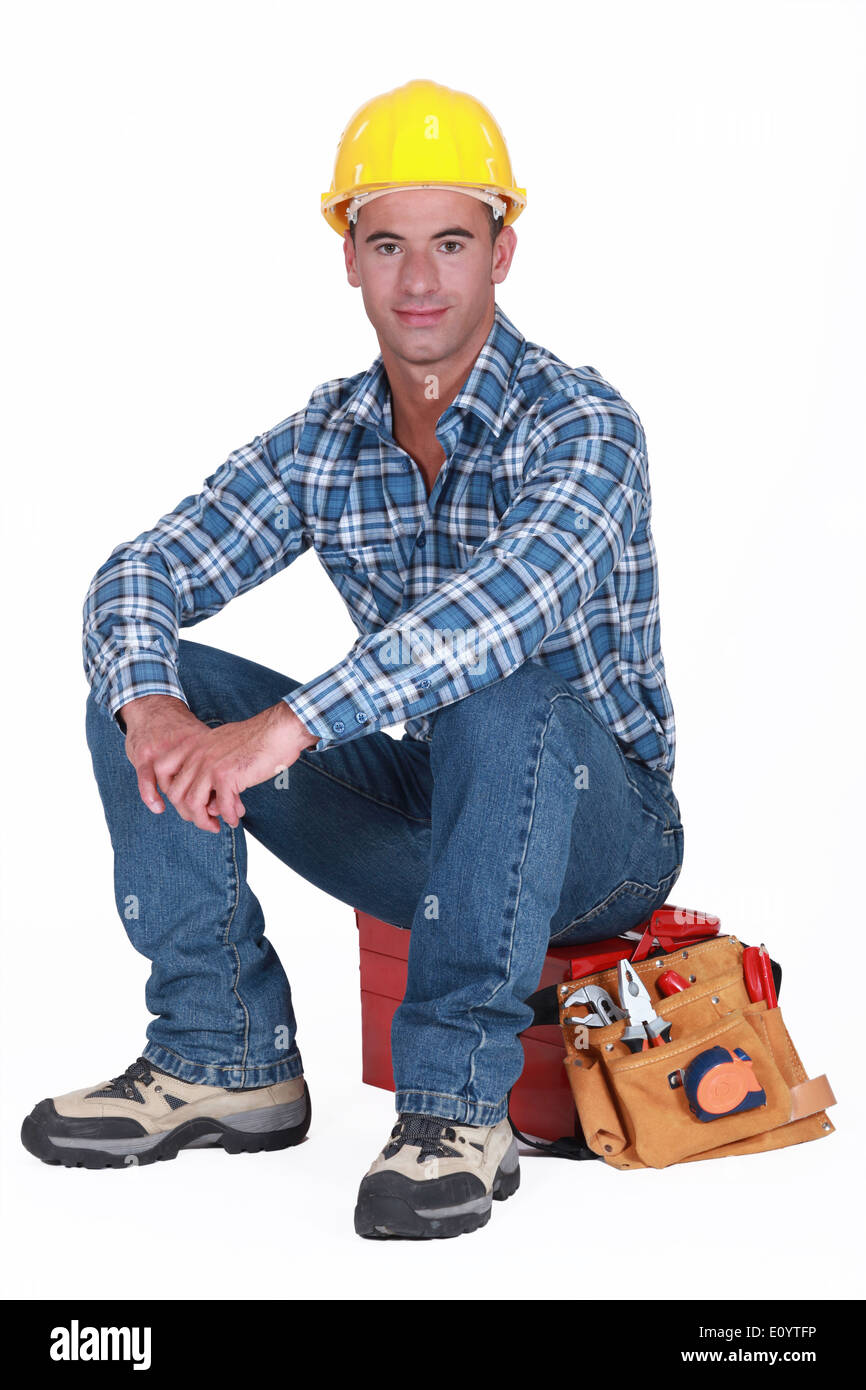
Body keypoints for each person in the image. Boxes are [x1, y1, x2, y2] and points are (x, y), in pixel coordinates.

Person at [21, 78, 683, 1240]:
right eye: (386, 244)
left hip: (602, 836)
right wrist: (154, 706)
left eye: (448, 243)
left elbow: (496, 612)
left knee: (499, 686)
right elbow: (139, 571)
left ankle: (453, 1109)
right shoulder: (325, 440)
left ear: (501, 251)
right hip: (433, 820)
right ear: (348, 257)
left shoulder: (583, 425)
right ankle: (222, 1054)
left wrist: (285, 728)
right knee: (143, 680)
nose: (418, 282)